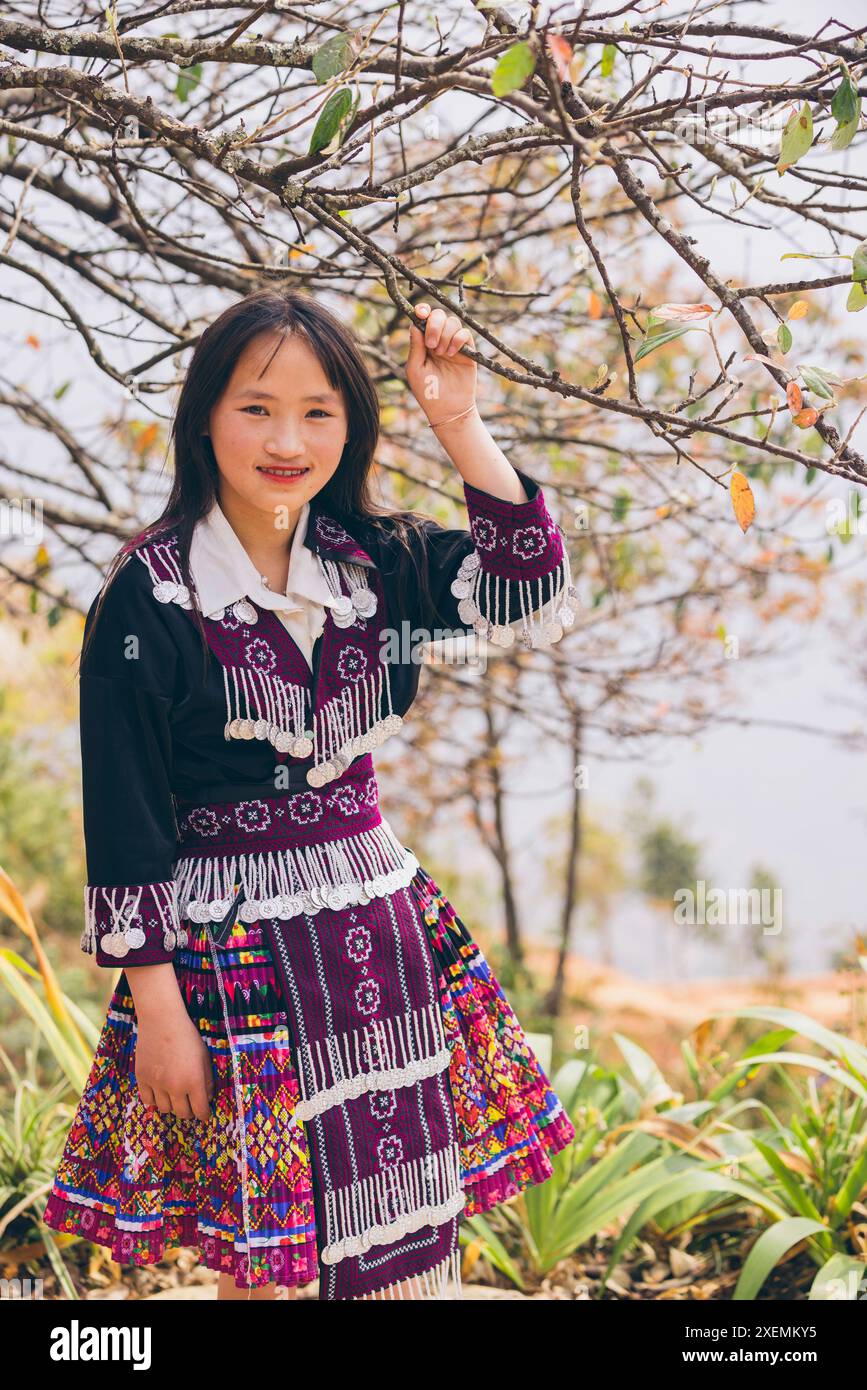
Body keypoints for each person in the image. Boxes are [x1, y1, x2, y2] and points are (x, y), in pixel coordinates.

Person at [43, 288, 578, 1301]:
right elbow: (123, 817)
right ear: (204, 416)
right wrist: (157, 1007)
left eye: (318, 411)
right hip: (233, 947)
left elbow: (529, 577)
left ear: (353, 425)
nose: (286, 438)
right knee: (272, 1246)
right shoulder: (147, 596)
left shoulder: (383, 562)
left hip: (374, 924)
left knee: (405, 1209)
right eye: (256, 407)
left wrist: (459, 423)